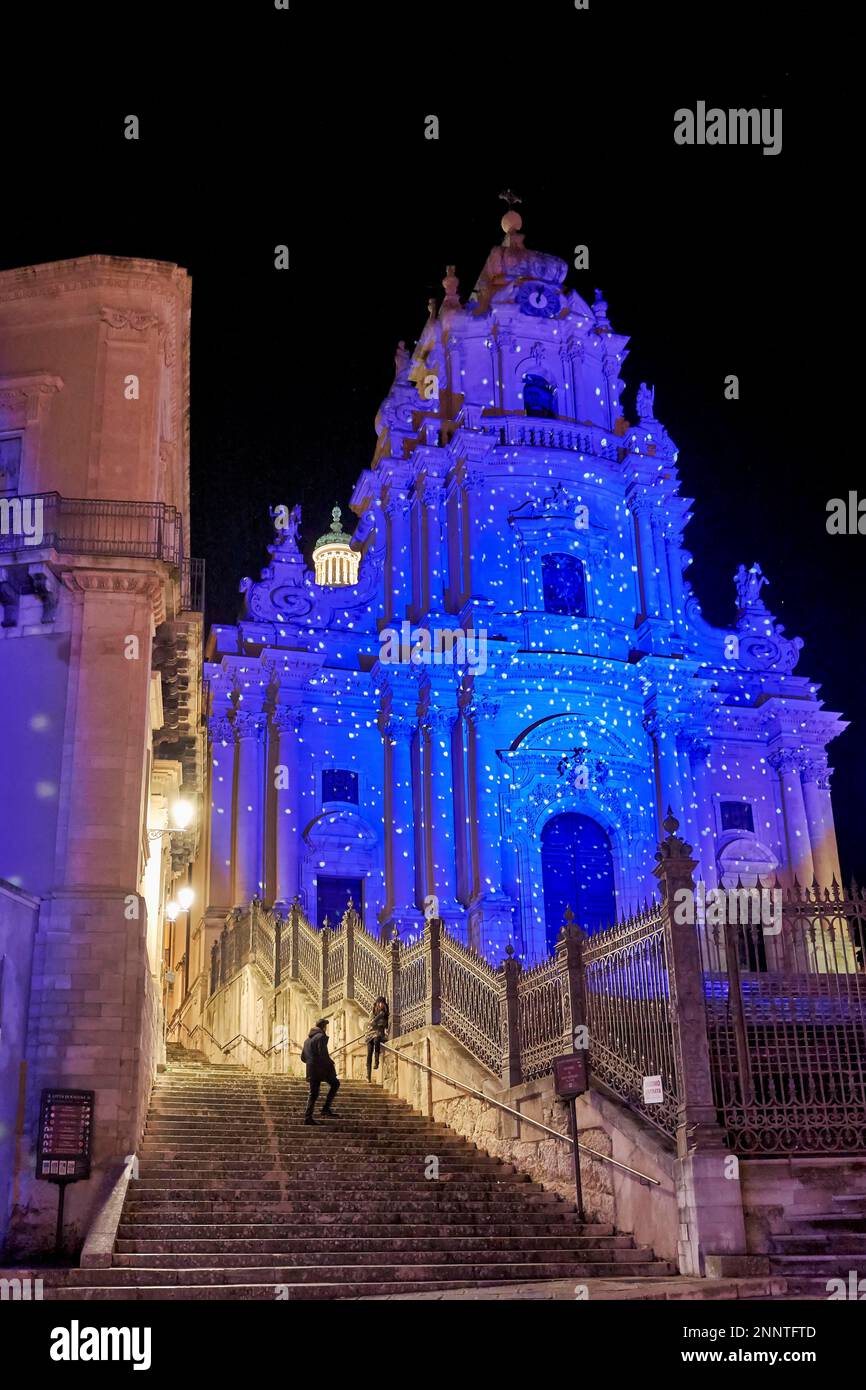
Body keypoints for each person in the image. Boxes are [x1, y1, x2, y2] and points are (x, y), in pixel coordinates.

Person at [301, 1017, 340, 1124]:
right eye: (326, 1026)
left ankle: (308, 1117)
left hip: (311, 1068)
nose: (326, 1028)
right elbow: (323, 1054)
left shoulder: (307, 1041)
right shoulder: (321, 1037)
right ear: (323, 1027)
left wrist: (311, 1061)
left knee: (313, 1093)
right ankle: (325, 1108)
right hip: (320, 1068)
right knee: (335, 1083)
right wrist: (330, 1063)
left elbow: (303, 1057)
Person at [365, 997, 389, 1081]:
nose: (381, 1004)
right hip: (369, 1034)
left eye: (382, 1003)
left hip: (378, 1034)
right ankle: (368, 1075)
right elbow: (371, 1023)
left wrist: (380, 1022)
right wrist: (378, 1017)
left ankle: (376, 1062)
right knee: (369, 1052)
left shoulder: (385, 1014)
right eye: (380, 1003)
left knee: (376, 1040)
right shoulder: (373, 1012)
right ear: (377, 1003)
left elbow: (385, 1025)